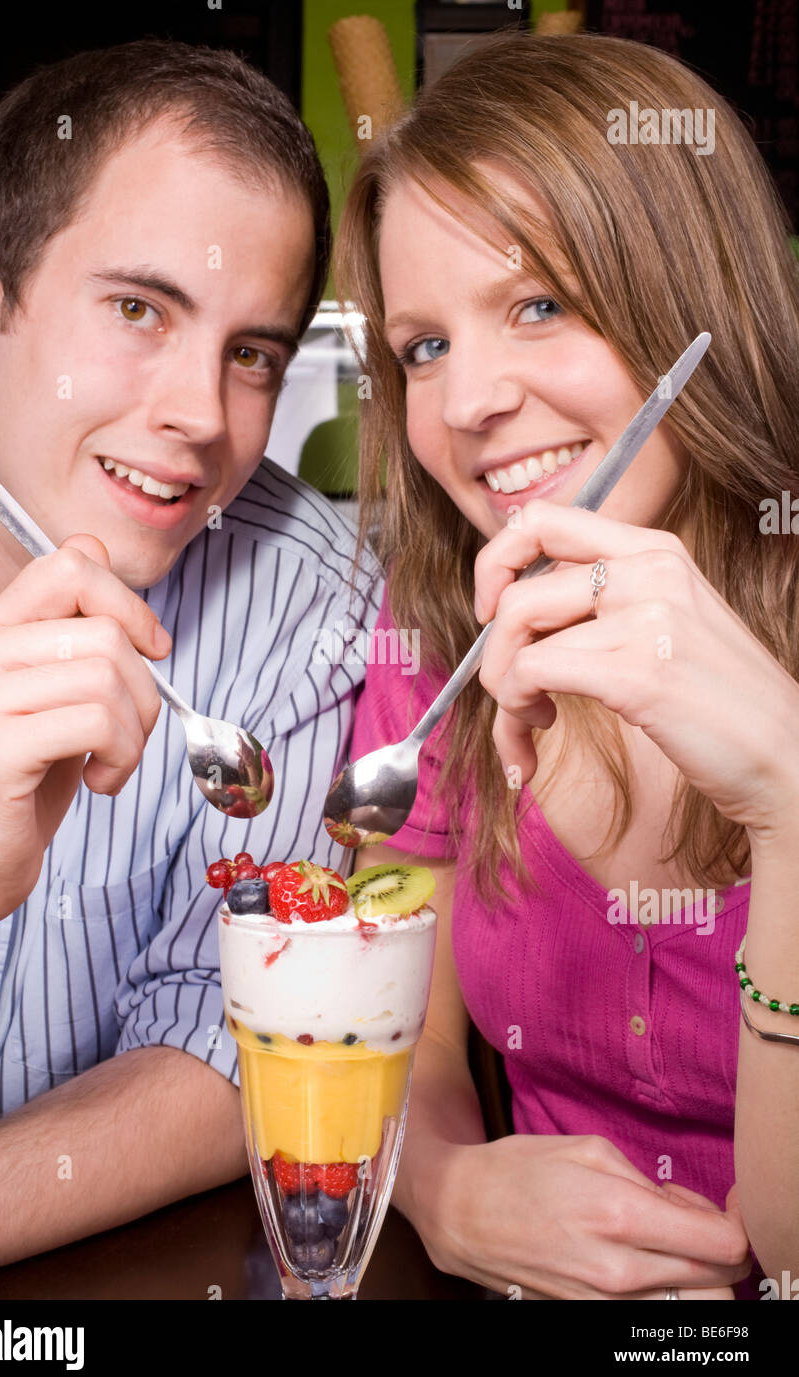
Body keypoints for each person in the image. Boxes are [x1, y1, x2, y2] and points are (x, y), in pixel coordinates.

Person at [336, 29, 799, 1300]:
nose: (469, 399)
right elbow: (401, 1022)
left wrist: (788, 801)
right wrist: (438, 1186)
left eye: (536, 304)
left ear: (695, 302)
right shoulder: (432, 634)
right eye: (423, 345)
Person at [0, 39, 379, 1275]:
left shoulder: (311, 602)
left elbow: (224, 1053)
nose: (197, 413)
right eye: (138, 309)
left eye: (251, 354)